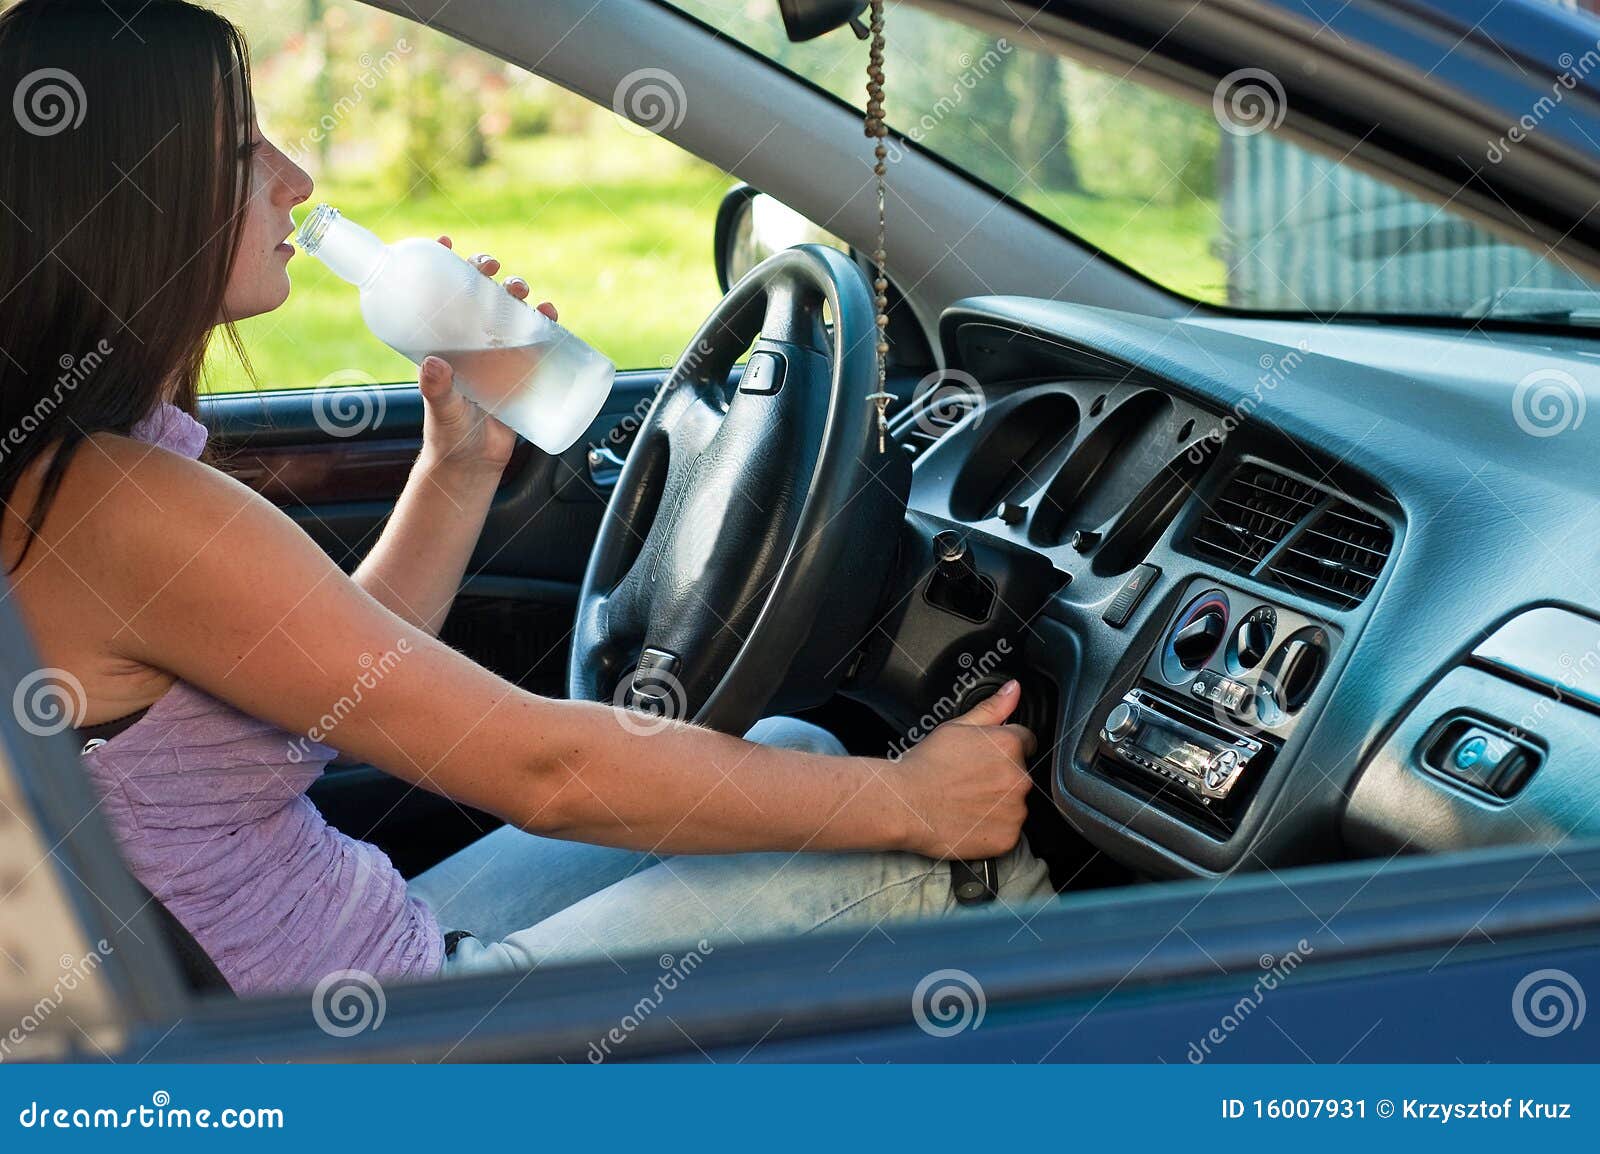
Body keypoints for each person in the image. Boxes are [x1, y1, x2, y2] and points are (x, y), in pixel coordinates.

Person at [0, 0, 1053, 994]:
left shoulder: (91, 466)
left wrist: (457, 467)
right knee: (946, 870)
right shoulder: (121, 505)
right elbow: (544, 769)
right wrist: (914, 803)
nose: (295, 177)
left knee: (796, 754)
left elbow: (336, 689)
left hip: (355, 951)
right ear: (128, 200)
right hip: (368, 1046)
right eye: (242, 154)